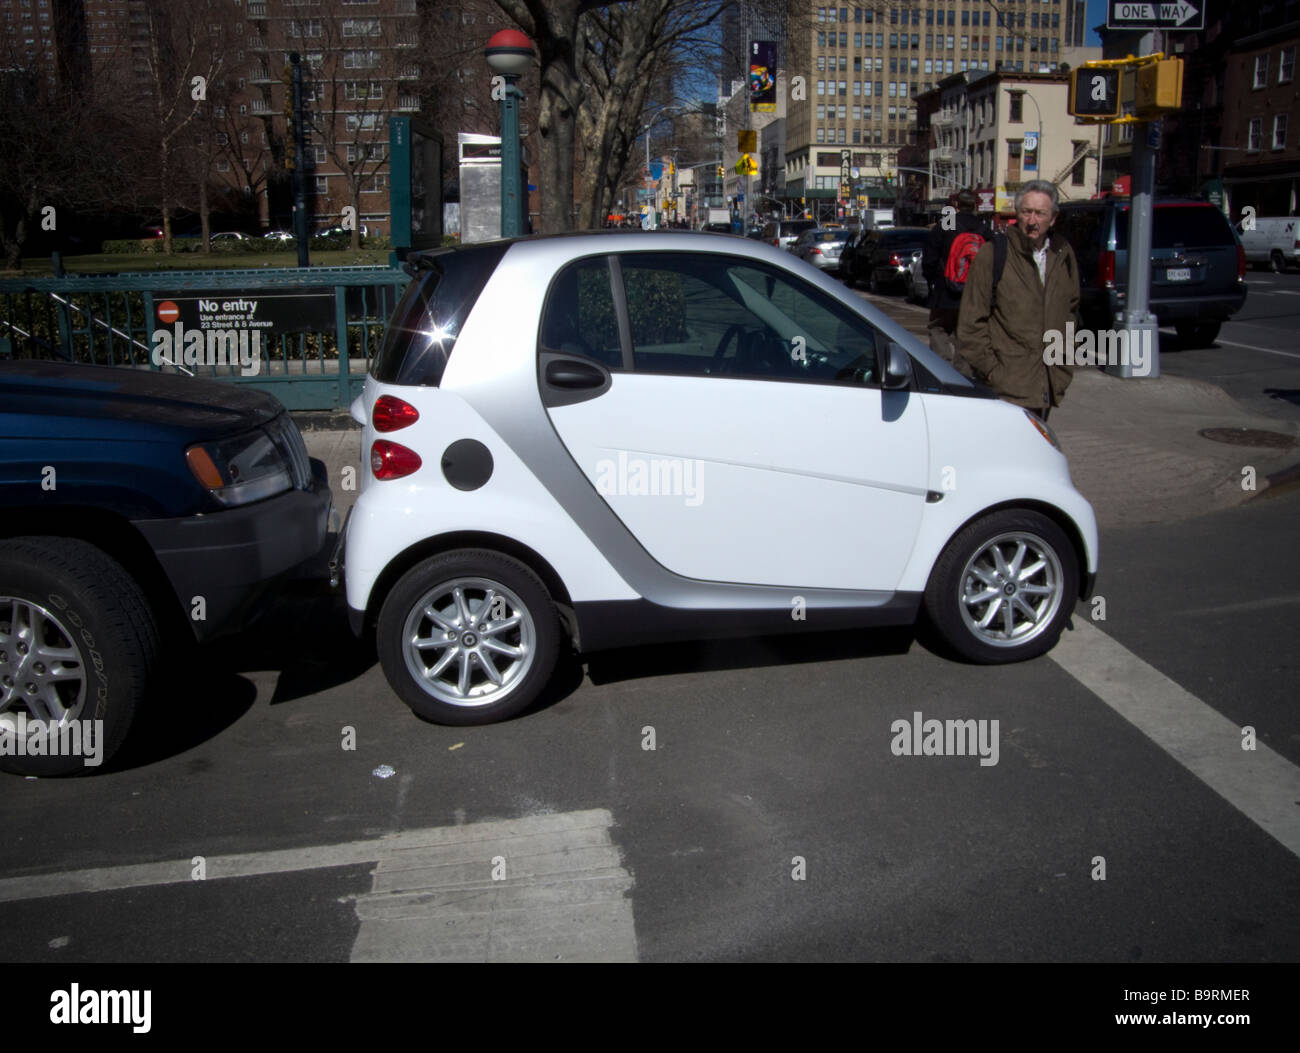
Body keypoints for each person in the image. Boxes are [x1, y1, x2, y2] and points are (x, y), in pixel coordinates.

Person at [956, 180, 1080, 421]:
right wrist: (994, 372)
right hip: (1007, 390)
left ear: (1053, 218)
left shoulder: (1063, 254)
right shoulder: (994, 254)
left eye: (1040, 213)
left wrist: (1063, 365)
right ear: (1017, 214)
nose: (1032, 221)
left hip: (1048, 384)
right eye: (1026, 212)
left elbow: (1071, 312)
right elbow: (970, 325)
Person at [922, 188, 991, 373]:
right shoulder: (984, 228)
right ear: (976, 205)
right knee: (966, 334)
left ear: (957, 205)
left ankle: (941, 369)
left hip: (946, 292)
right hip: (974, 295)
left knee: (938, 328)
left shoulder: (947, 224)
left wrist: (932, 280)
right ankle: (964, 375)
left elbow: (929, 259)